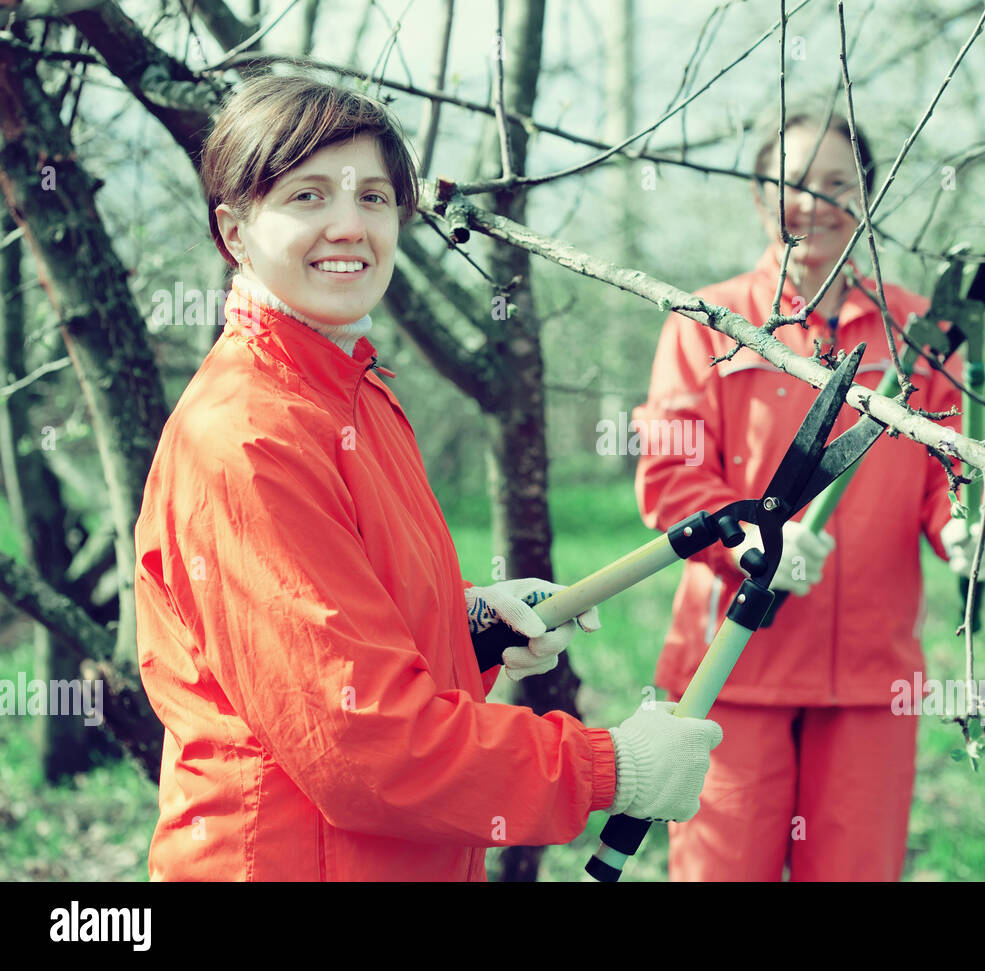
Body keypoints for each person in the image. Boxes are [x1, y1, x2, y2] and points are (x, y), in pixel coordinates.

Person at [133, 74, 723, 882]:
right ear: (235, 231)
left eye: (374, 197)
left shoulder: (353, 389)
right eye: (307, 195)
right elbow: (362, 744)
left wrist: (470, 620)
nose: (350, 225)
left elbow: (352, 628)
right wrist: (608, 765)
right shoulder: (246, 439)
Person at [633, 110, 985, 881]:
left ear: (867, 195)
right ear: (757, 193)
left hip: (874, 680)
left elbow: (951, 465)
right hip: (733, 668)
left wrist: (974, 524)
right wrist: (744, 539)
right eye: (793, 183)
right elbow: (669, 476)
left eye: (839, 183)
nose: (814, 201)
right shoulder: (707, 321)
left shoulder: (920, 331)